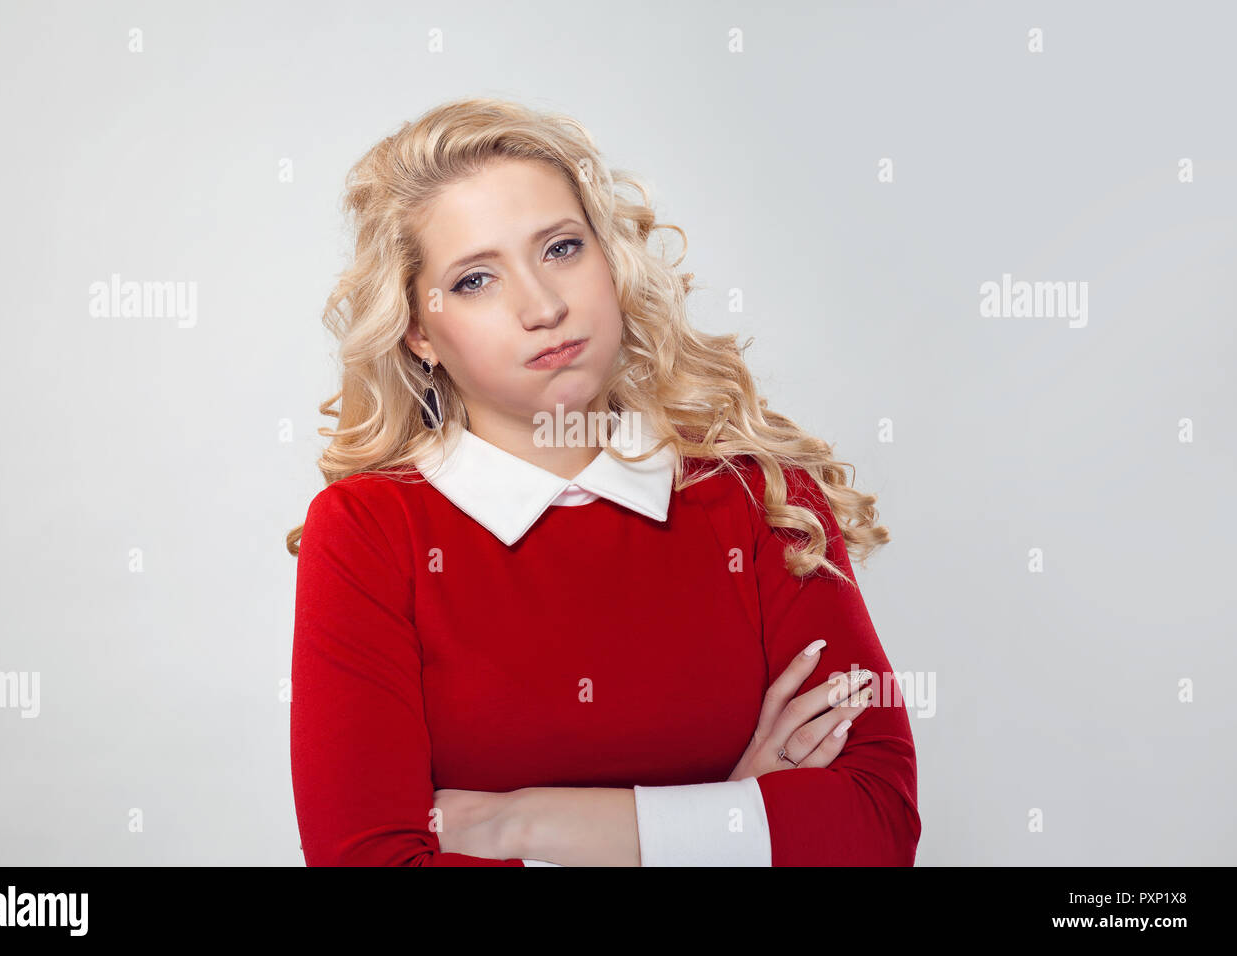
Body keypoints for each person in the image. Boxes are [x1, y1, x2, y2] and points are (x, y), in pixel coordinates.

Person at [286, 97, 920, 866]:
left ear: (611, 260)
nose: (545, 307)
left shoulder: (760, 491)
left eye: (560, 249)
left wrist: (519, 824)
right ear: (420, 332)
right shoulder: (372, 528)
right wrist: (730, 820)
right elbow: (367, 863)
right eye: (477, 278)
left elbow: (875, 829)